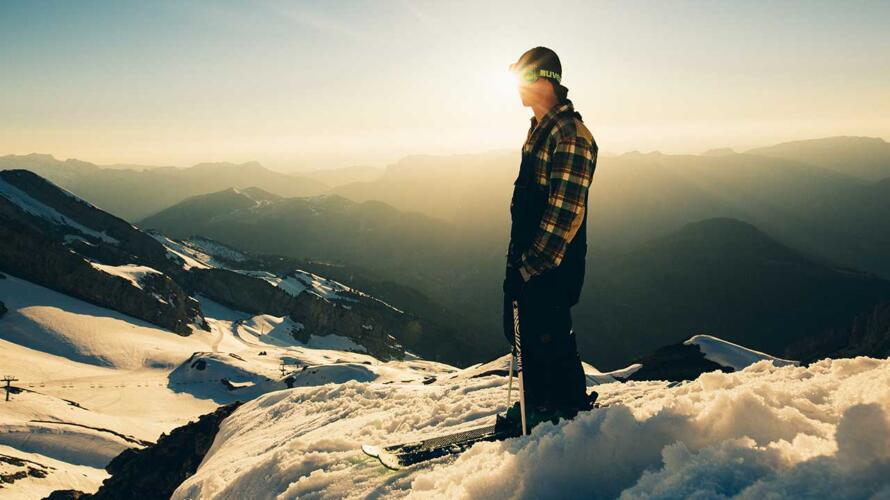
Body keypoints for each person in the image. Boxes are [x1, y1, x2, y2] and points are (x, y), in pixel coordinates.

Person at [498, 46, 599, 432]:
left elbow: (565, 214)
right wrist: (517, 261)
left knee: (548, 337)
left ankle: (567, 413)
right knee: (523, 333)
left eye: (522, 78)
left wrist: (530, 266)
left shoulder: (571, 135)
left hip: (551, 264)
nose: (516, 88)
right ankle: (535, 407)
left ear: (546, 81)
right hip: (528, 258)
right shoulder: (540, 130)